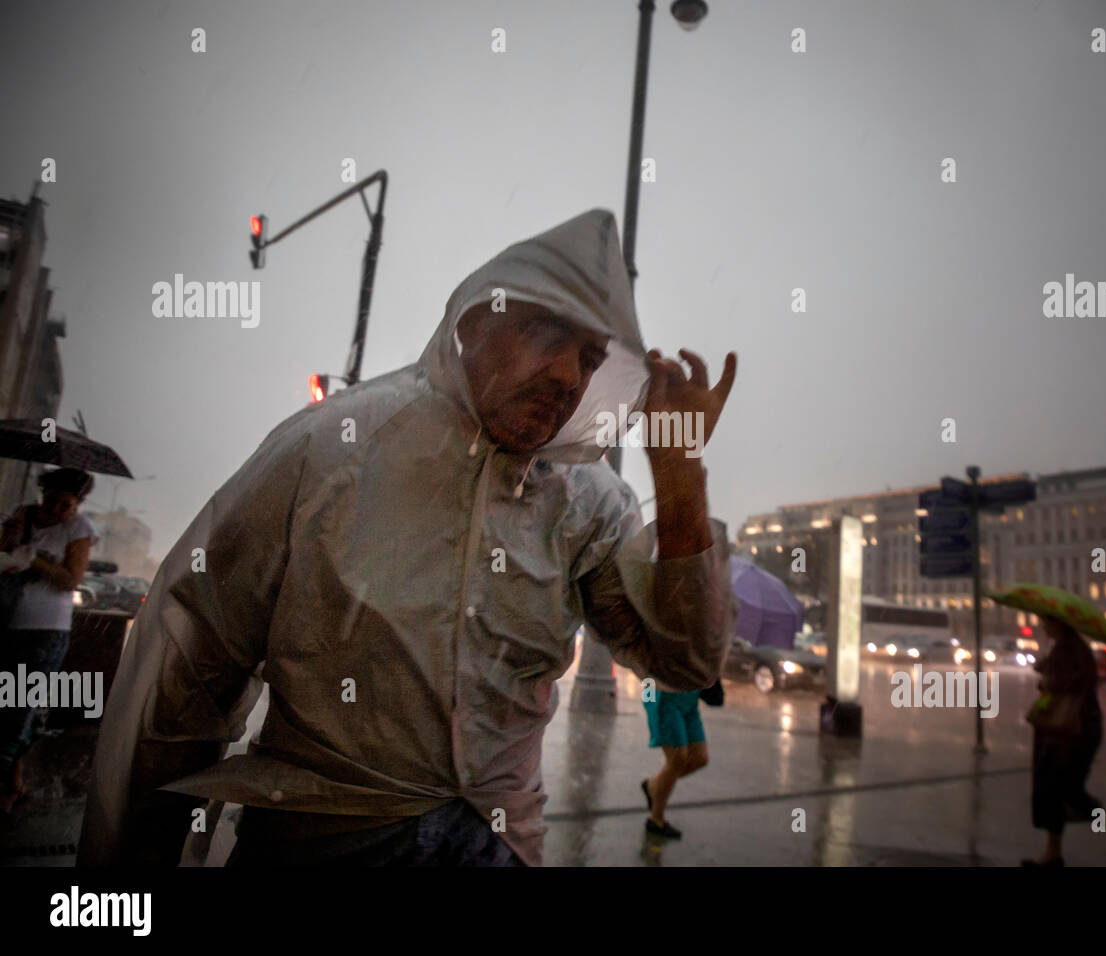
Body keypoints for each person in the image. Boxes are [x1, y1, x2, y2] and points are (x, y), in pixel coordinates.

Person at [79, 209, 738, 867]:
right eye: (545, 334)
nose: (569, 377)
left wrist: (679, 475)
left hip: (503, 844)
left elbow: (684, 662)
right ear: (473, 324)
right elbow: (188, 675)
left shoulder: (584, 504)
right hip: (324, 846)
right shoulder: (330, 454)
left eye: (591, 359)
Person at [0, 467, 98, 813]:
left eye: (65, 506)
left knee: (19, 707)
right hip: (7, 621)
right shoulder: (22, 516)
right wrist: (8, 540)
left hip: (45, 630)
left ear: (76, 506)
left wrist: (34, 559)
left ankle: (6, 791)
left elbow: (71, 579)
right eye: (52, 502)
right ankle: (13, 780)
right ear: (44, 494)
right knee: (6, 704)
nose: (56, 511)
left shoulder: (79, 529)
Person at [1023, 616, 1106, 867]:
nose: (1043, 626)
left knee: (1070, 792)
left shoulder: (1071, 651)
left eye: (1047, 622)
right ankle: (1053, 853)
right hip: (1065, 730)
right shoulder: (1067, 649)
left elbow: (1066, 685)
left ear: (1060, 624)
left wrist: (1046, 675)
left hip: (1072, 732)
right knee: (1055, 791)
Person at [641, 687, 709, 838]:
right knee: (677, 759)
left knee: (700, 758)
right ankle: (656, 819)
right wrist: (650, 702)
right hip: (665, 700)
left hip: (690, 700)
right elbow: (644, 668)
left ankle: (654, 786)